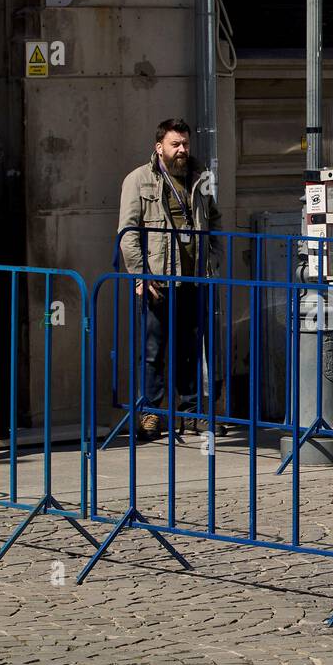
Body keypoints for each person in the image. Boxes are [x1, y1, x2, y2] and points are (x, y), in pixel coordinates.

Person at [116, 118, 223, 439]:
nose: (181, 150)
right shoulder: (139, 180)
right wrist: (140, 273)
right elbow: (127, 232)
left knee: (190, 348)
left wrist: (213, 258)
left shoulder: (200, 176)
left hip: (195, 278)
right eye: (175, 144)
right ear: (159, 147)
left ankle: (191, 413)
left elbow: (215, 218)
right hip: (158, 279)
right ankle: (150, 412)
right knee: (152, 350)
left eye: (185, 144)